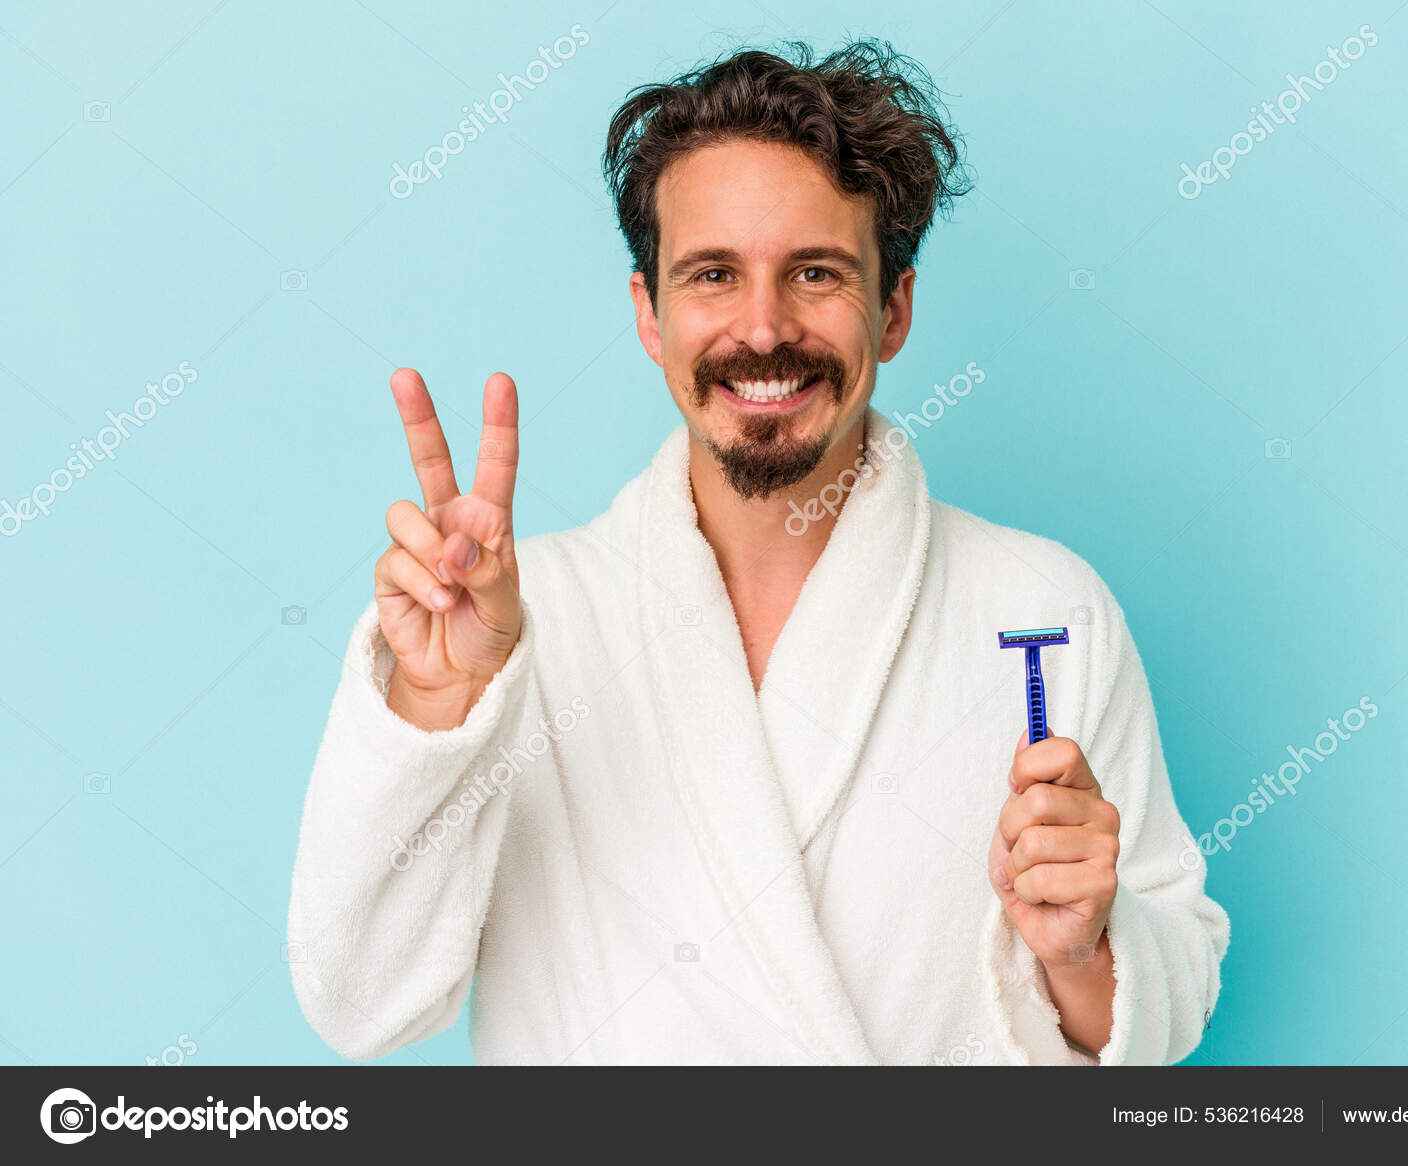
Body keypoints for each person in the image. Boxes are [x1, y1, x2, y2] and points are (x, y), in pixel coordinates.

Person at [288, 40, 1227, 1065]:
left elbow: (1165, 1003)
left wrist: (1084, 950)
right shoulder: (499, 627)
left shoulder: (1043, 606)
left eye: (815, 272)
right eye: (714, 274)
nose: (763, 326)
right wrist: (440, 712)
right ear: (649, 313)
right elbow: (361, 1000)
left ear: (895, 309)